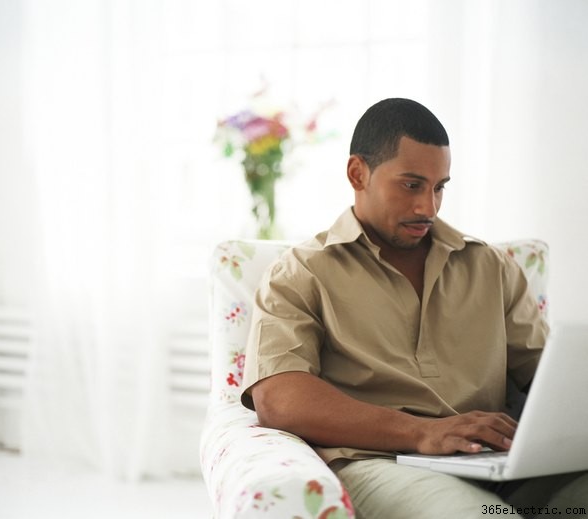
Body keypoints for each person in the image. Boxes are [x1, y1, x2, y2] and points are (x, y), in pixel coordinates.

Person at [240, 98, 588, 518]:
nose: (428, 207)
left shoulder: (491, 267)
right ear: (358, 174)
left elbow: (547, 378)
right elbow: (279, 399)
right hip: (380, 463)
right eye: (411, 185)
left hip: (497, 463)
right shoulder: (301, 272)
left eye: (439, 187)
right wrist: (422, 432)